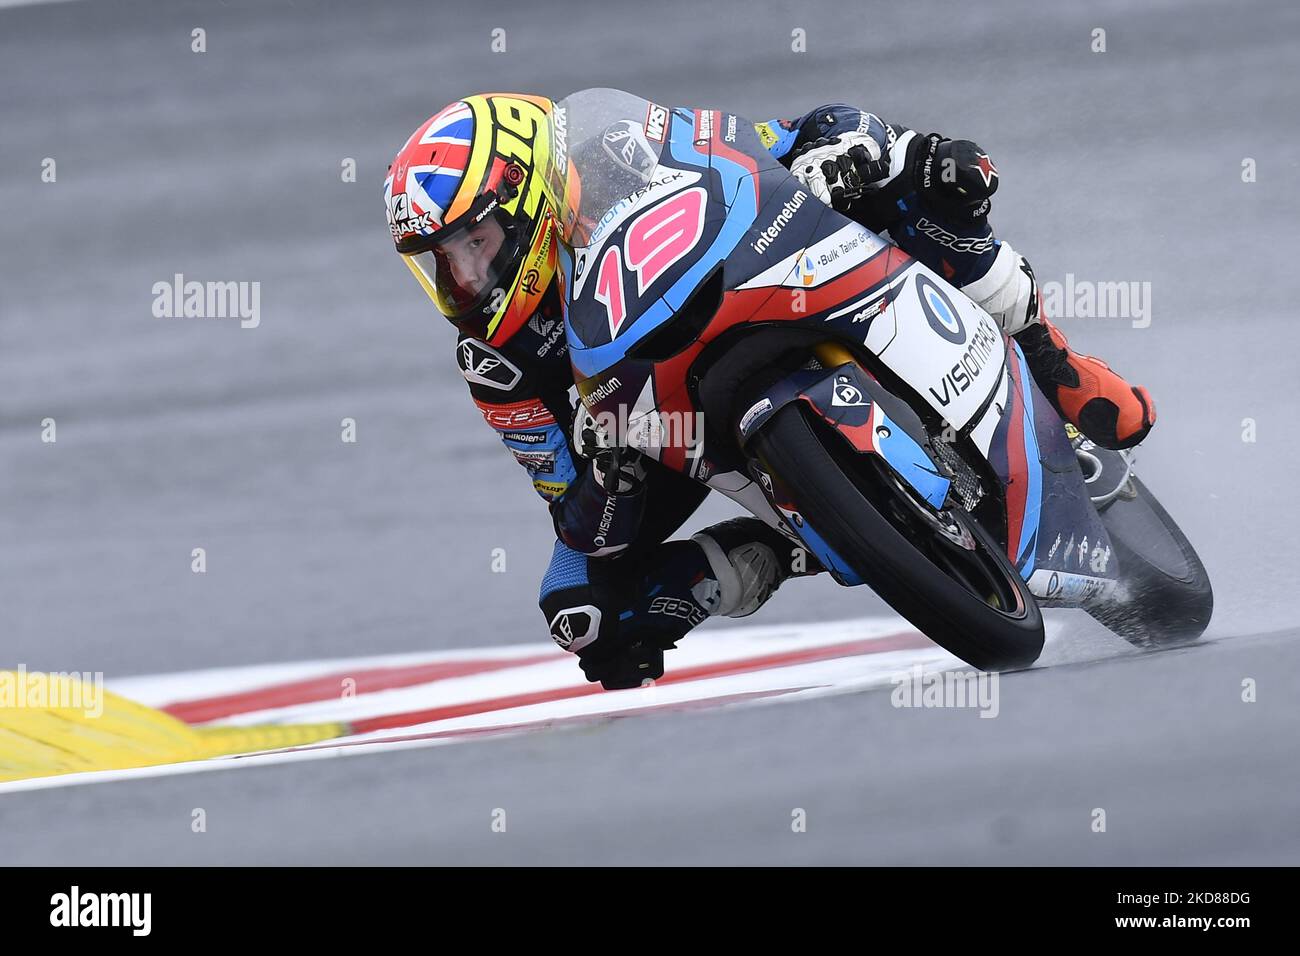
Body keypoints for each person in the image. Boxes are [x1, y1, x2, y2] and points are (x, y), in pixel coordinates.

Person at [383, 93, 1155, 688]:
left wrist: (840, 147)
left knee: (934, 170)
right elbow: (574, 515)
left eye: (473, 246)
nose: (464, 281)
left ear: (528, 195)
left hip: (751, 277)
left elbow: (773, 139)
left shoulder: (616, 151)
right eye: (440, 265)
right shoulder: (498, 363)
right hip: (645, 421)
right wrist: (604, 475)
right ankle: (777, 550)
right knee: (584, 614)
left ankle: (1049, 361)